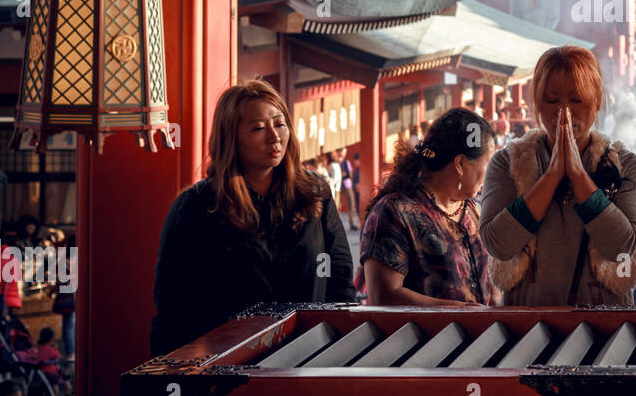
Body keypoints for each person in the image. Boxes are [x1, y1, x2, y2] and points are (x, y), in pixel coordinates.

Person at [150, 80, 355, 356]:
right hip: (228, 363)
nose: (275, 137)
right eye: (258, 128)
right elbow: (174, 306)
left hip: (306, 355)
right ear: (231, 138)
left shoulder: (314, 193)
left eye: (280, 124)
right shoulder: (198, 207)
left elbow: (339, 280)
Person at [480, 47, 636, 306]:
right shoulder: (508, 163)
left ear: (597, 102)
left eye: (576, 100)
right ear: (537, 103)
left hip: (603, 323)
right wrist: (552, 176)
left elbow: (623, 246)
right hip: (529, 321)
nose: (564, 112)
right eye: (552, 100)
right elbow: (497, 244)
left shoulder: (625, 166)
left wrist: (578, 174)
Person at [361, 108, 497, 306]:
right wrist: (462, 311)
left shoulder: (474, 210)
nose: (490, 172)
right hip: (423, 336)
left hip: (480, 334)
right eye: (488, 162)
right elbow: (382, 296)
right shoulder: (395, 212)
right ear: (460, 163)